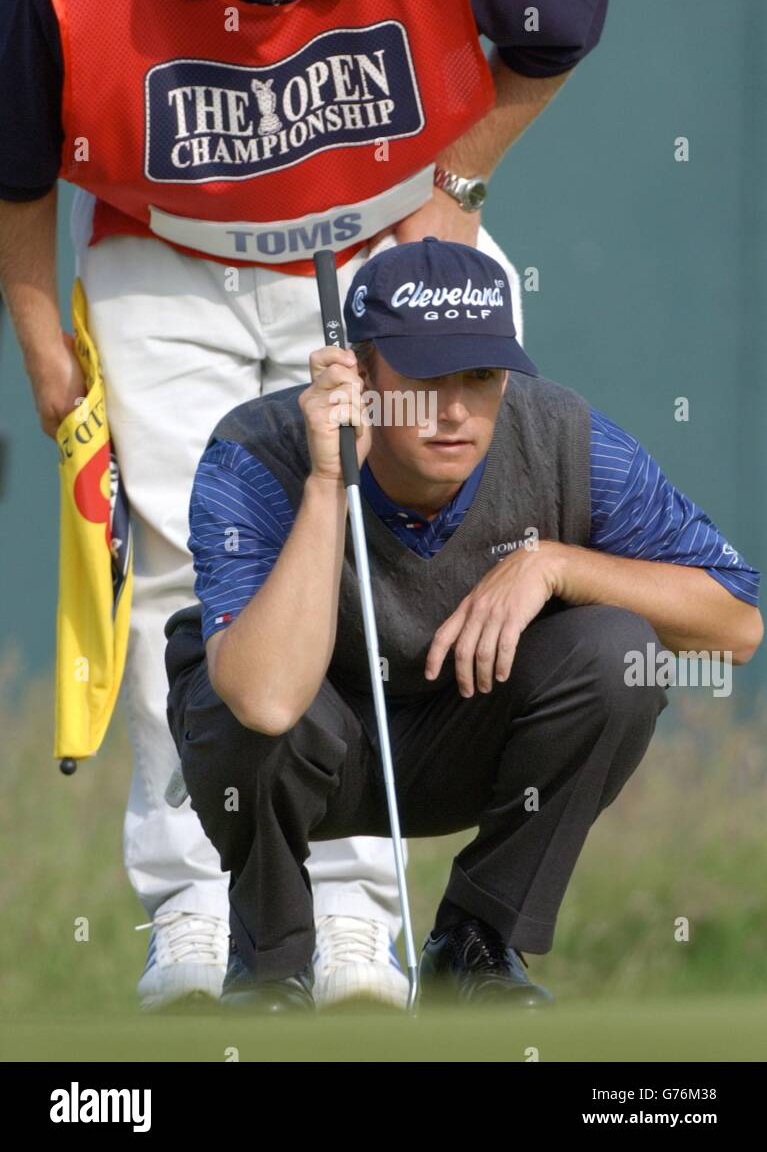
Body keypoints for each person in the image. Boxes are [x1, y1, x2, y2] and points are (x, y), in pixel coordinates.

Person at [0, 0, 611, 1011]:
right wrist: (36, 331)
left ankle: (352, 919)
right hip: (170, 260)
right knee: (188, 572)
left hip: (381, 243)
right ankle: (196, 907)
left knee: (388, 557)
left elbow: (569, 4)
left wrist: (463, 177)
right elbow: (14, 161)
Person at [165, 237, 763, 1012]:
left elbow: (736, 626)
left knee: (619, 653)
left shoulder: (564, 436)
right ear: (361, 372)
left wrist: (556, 564)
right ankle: (270, 962)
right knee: (238, 691)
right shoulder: (256, 452)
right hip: (313, 742)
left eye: (479, 377)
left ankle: (475, 943)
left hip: (466, 737)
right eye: (422, 377)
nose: (453, 411)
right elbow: (267, 700)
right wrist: (324, 480)